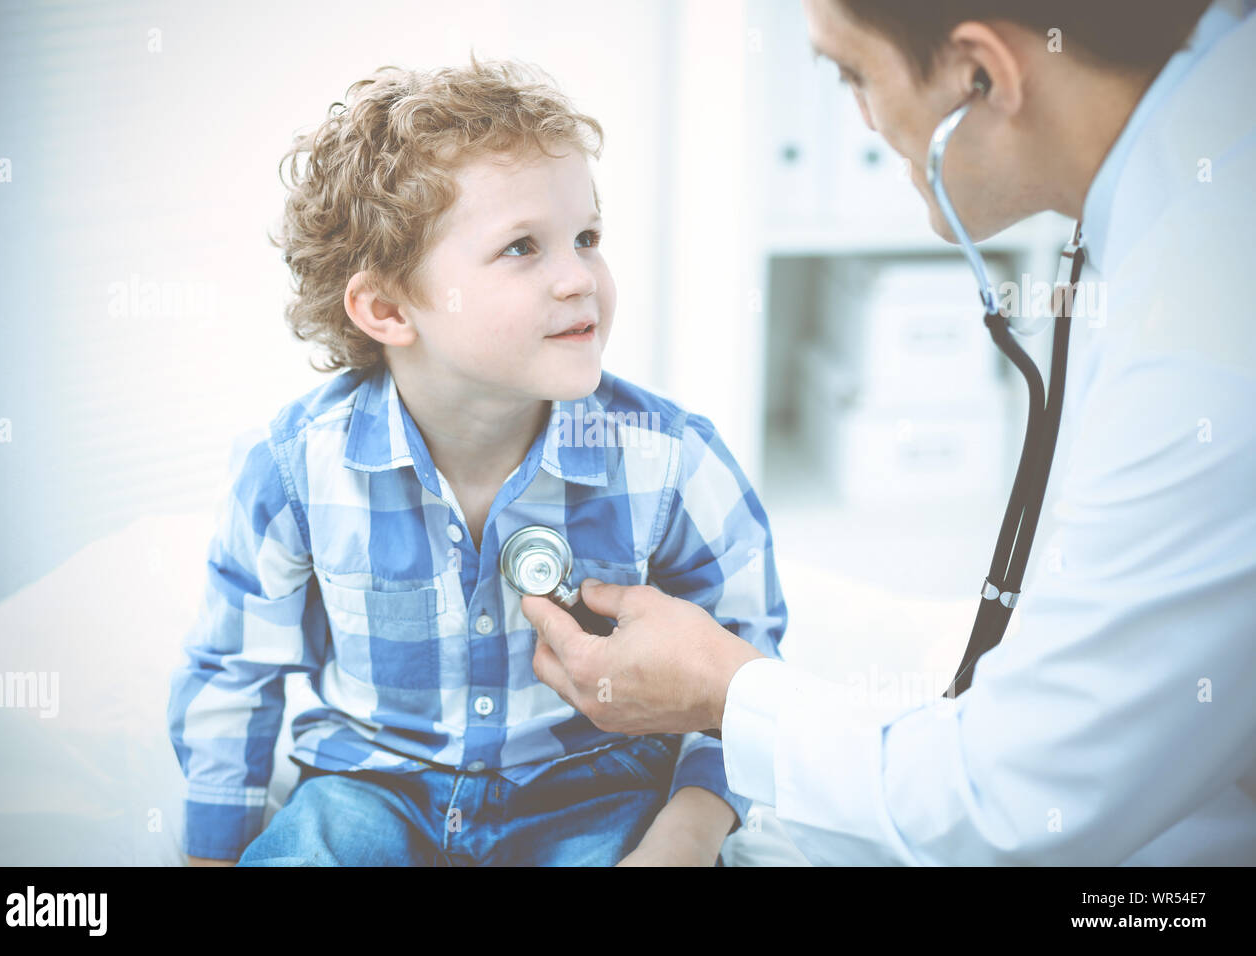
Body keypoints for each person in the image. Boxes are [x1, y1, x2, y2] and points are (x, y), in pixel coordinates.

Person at [521, 0, 1256, 864]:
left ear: (984, 74)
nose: (860, 123)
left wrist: (724, 693)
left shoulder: (1205, 331)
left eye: (854, 74)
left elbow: (1014, 801)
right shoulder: (1193, 167)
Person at [166, 55, 787, 866]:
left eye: (587, 238)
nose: (580, 279)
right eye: (523, 248)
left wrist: (687, 835)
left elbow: (746, 672)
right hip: (371, 790)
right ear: (388, 307)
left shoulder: (671, 462)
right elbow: (232, 676)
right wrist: (212, 855)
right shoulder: (292, 472)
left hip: (593, 787)